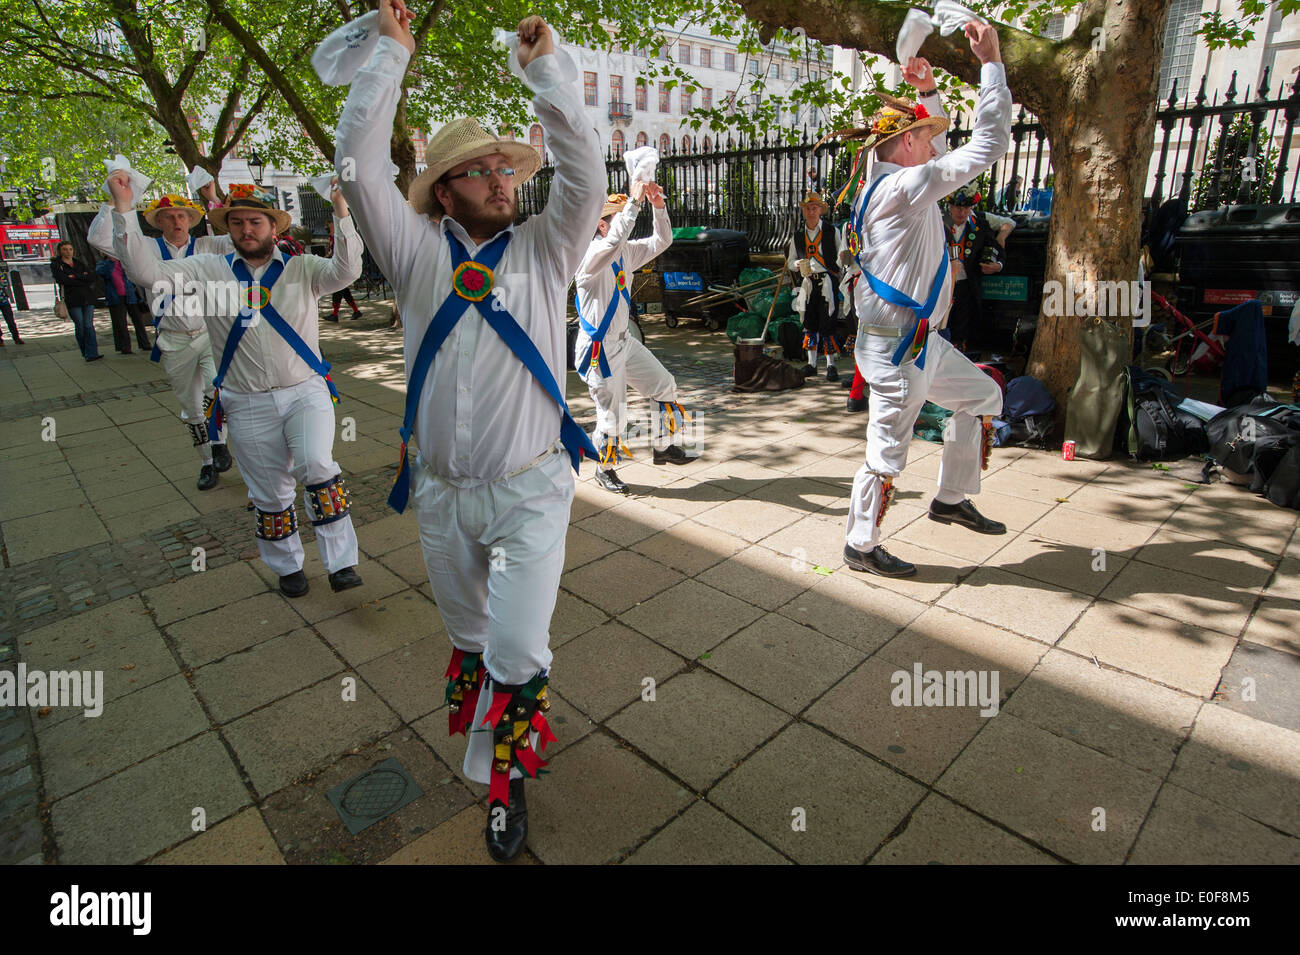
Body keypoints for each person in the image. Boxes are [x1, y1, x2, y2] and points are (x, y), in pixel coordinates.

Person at [334, 2, 603, 862]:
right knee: (469, 639)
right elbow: (354, 166)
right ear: (443, 188)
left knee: (518, 646)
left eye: (504, 166)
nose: (500, 178)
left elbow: (587, 174)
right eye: (479, 170)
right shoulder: (410, 252)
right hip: (444, 495)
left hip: (532, 487)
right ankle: (498, 759)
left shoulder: (547, 247)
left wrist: (548, 75)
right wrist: (388, 55)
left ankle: (504, 782)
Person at [110, 176, 366, 599]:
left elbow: (348, 269)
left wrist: (341, 208)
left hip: (305, 391)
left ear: (274, 228)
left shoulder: (302, 268)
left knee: (318, 467)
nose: (247, 230)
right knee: (269, 491)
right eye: (238, 223)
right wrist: (123, 210)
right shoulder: (205, 270)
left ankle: (341, 564)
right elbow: (145, 272)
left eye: (256, 222)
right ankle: (287, 566)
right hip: (244, 401)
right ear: (228, 228)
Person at [839, 25, 1011, 579]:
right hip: (895, 355)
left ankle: (951, 499)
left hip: (920, 345)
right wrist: (990, 64)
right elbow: (988, 145)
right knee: (886, 453)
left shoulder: (892, 181)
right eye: (928, 136)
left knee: (983, 396)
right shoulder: (901, 189)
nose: (936, 145)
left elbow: (932, 147)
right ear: (908, 145)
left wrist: (929, 93)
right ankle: (859, 545)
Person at [88, 191, 235, 489]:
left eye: (182, 215)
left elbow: (239, 237)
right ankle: (207, 462)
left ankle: (219, 442)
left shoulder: (207, 244)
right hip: (173, 339)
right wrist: (115, 201)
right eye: (168, 216)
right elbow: (99, 239)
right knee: (190, 406)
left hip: (208, 334)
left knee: (217, 388)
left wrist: (215, 201)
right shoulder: (146, 248)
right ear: (159, 222)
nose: (176, 221)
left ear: (192, 221)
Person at [575, 182, 692, 494]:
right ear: (602, 225)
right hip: (599, 350)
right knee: (613, 415)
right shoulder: (592, 257)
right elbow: (614, 240)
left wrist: (657, 205)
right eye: (618, 218)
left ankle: (663, 446)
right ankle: (605, 468)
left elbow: (662, 240)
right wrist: (635, 203)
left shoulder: (625, 252)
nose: (626, 225)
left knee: (664, 384)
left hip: (624, 342)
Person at [943, 185, 1014, 352]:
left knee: (963, 323)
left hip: (967, 285)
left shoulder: (979, 225)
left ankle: (959, 351)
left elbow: (996, 249)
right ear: (950, 207)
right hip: (942, 284)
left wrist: (997, 265)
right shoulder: (939, 223)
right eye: (958, 208)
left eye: (966, 208)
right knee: (941, 324)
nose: (961, 212)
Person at [787, 191, 842, 380]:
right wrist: (796, 265)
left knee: (828, 322)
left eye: (814, 208)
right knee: (809, 322)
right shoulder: (798, 236)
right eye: (808, 208)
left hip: (827, 281)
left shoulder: (832, 231)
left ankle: (831, 366)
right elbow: (790, 261)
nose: (811, 211)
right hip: (808, 283)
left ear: (820, 210)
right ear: (804, 211)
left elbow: (840, 256)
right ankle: (811, 364)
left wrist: (840, 279)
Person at [51, 241, 101, 361]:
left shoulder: (79, 263)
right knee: (80, 325)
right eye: (65, 249)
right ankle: (85, 352)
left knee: (89, 325)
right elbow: (63, 280)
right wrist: (80, 278)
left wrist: (75, 276)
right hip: (73, 298)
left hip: (87, 297)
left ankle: (92, 352)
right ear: (60, 251)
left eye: (70, 249)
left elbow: (91, 277)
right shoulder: (57, 265)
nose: (68, 252)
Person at [95, 254, 151, 354]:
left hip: (130, 294)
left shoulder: (124, 262)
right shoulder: (104, 264)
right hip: (115, 297)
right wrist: (110, 261)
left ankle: (145, 343)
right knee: (120, 323)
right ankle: (124, 346)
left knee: (138, 320)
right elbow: (102, 273)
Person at [326, 221, 363, 321]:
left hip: (342, 268)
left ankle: (335, 314)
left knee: (337, 290)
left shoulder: (339, 240)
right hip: (339, 268)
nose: (328, 230)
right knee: (344, 291)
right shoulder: (333, 239)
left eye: (330, 227)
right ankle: (356, 311)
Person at [0, 272, 23, 346]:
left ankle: (16, 337)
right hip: (4, 300)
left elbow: (4, 284)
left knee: (10, 320)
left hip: (4, 301)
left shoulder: (0, 274)